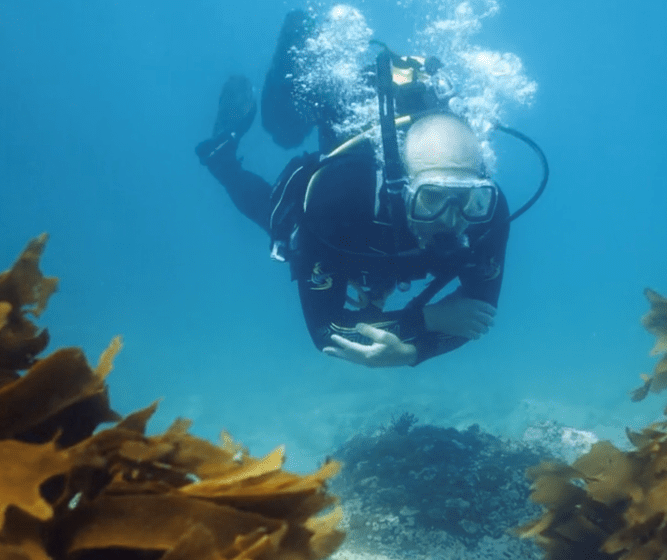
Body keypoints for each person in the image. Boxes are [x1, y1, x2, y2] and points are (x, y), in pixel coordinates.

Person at [195, 11, 511, 368]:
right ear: (402, 189)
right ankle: (223, 154)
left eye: (468, 198)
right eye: (431, 198)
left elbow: (477, 315)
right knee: (281, 135)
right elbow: (324, 331)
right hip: (350, 157)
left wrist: (413, 351)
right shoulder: (339, 199)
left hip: (379, 229)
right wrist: (427, 319)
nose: (453, 219)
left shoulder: (488, 214)